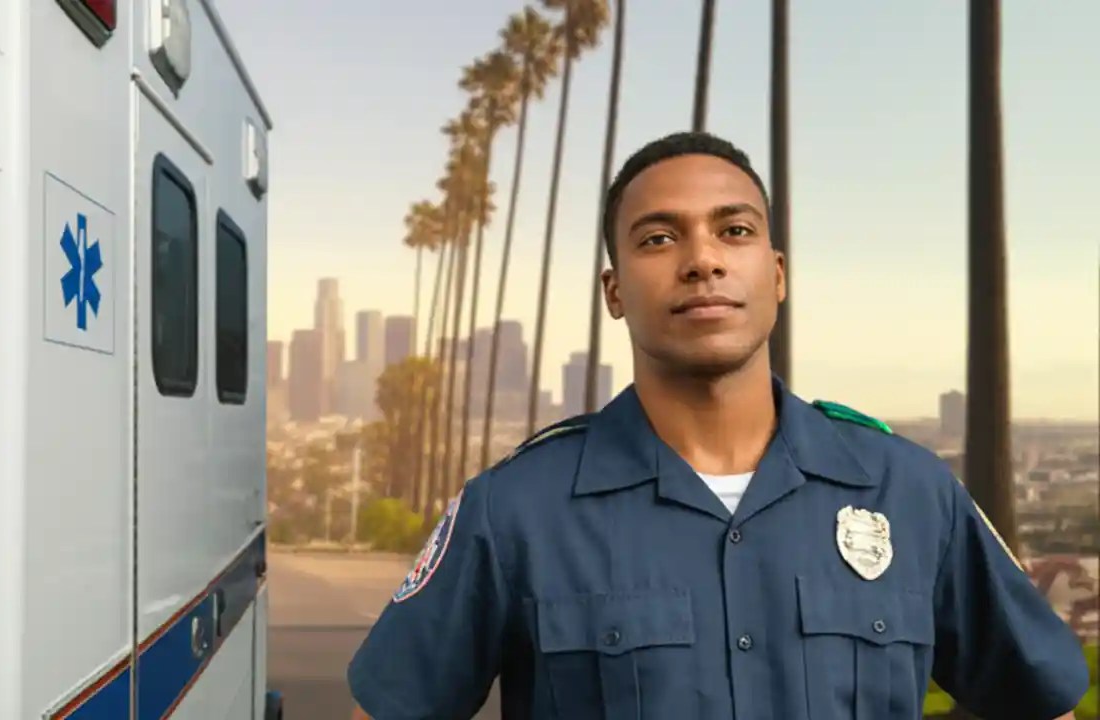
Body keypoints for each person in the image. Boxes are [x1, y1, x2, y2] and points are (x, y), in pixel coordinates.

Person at [346, 131, 1089, 719]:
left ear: (777, 274)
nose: (701, 260)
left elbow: (1038, 700)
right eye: (658, 239)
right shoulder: (512, 513)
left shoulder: (911, 492)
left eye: (733, 231)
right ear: (614, 289)